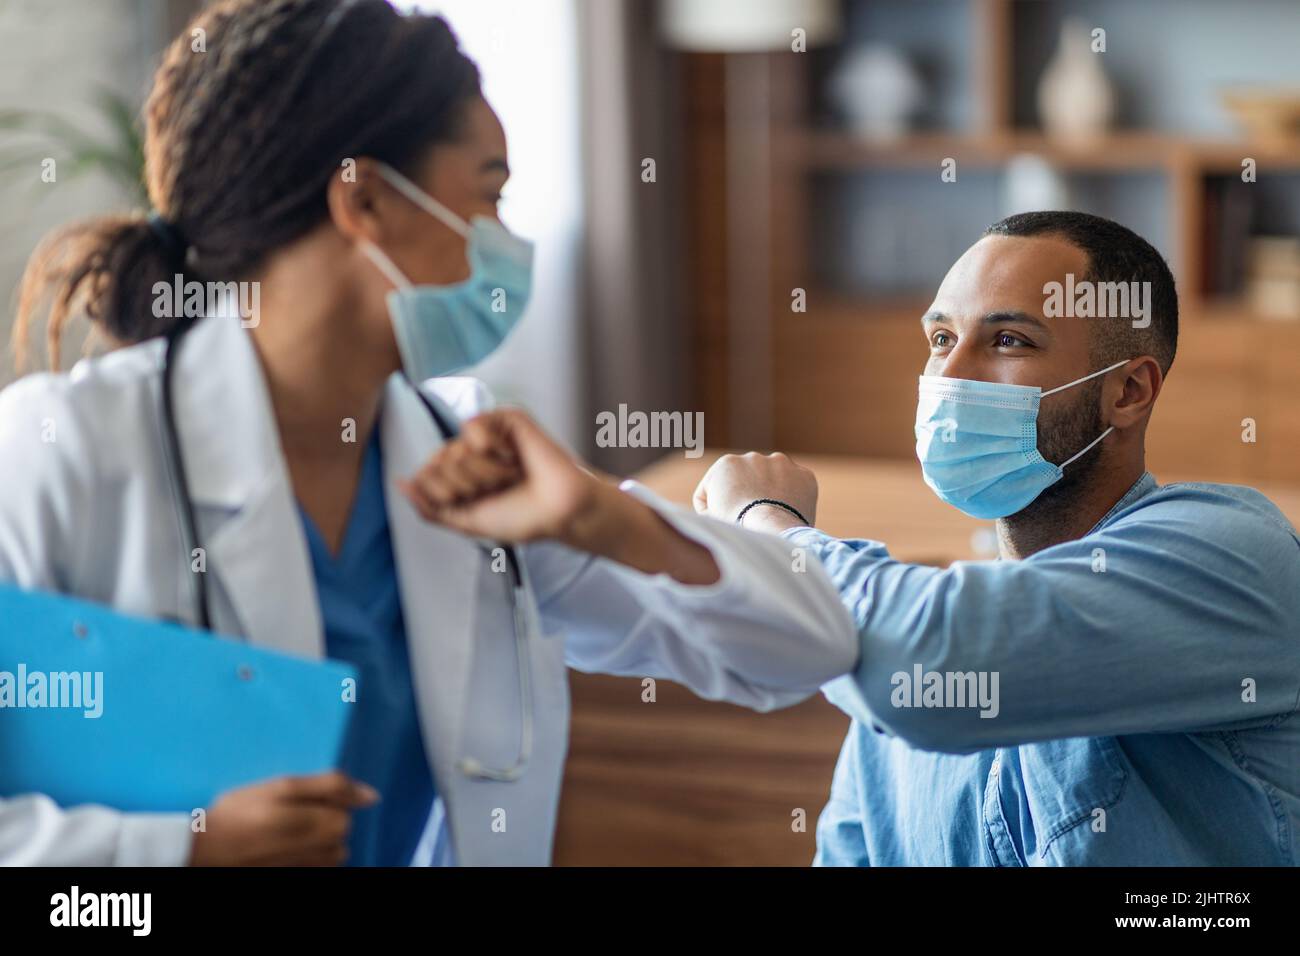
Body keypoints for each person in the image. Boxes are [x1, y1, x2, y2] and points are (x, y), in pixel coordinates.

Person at [0, 0, 856, 866]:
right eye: (489, 195)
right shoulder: (61, 454)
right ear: (366, 199)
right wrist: (179, 851)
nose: (506, 243)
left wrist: (611, 522)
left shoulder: (466, 464)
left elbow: (806, 648)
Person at [423, 212, 1300, 865]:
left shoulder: (1234, 553)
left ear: (1130, 393)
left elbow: (936, 669)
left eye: (1008, 340)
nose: (947, 378)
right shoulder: (899, 625)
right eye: (940, 339)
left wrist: (762, 526)